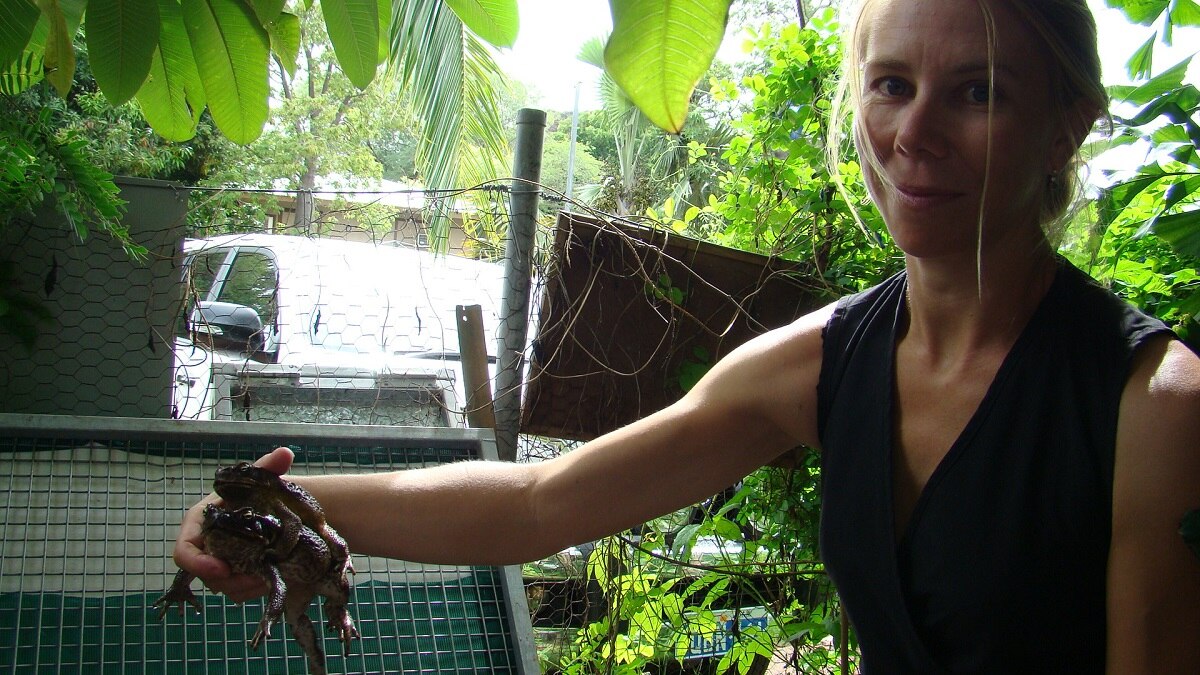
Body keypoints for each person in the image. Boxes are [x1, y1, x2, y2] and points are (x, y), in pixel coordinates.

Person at [171, 0, 1200, 670]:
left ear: (1068, 124)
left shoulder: (1150, 407)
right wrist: (281, 501)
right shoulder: (827, 361)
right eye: (892, 84)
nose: (914, 133)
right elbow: (540, 502)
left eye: (978, 92)